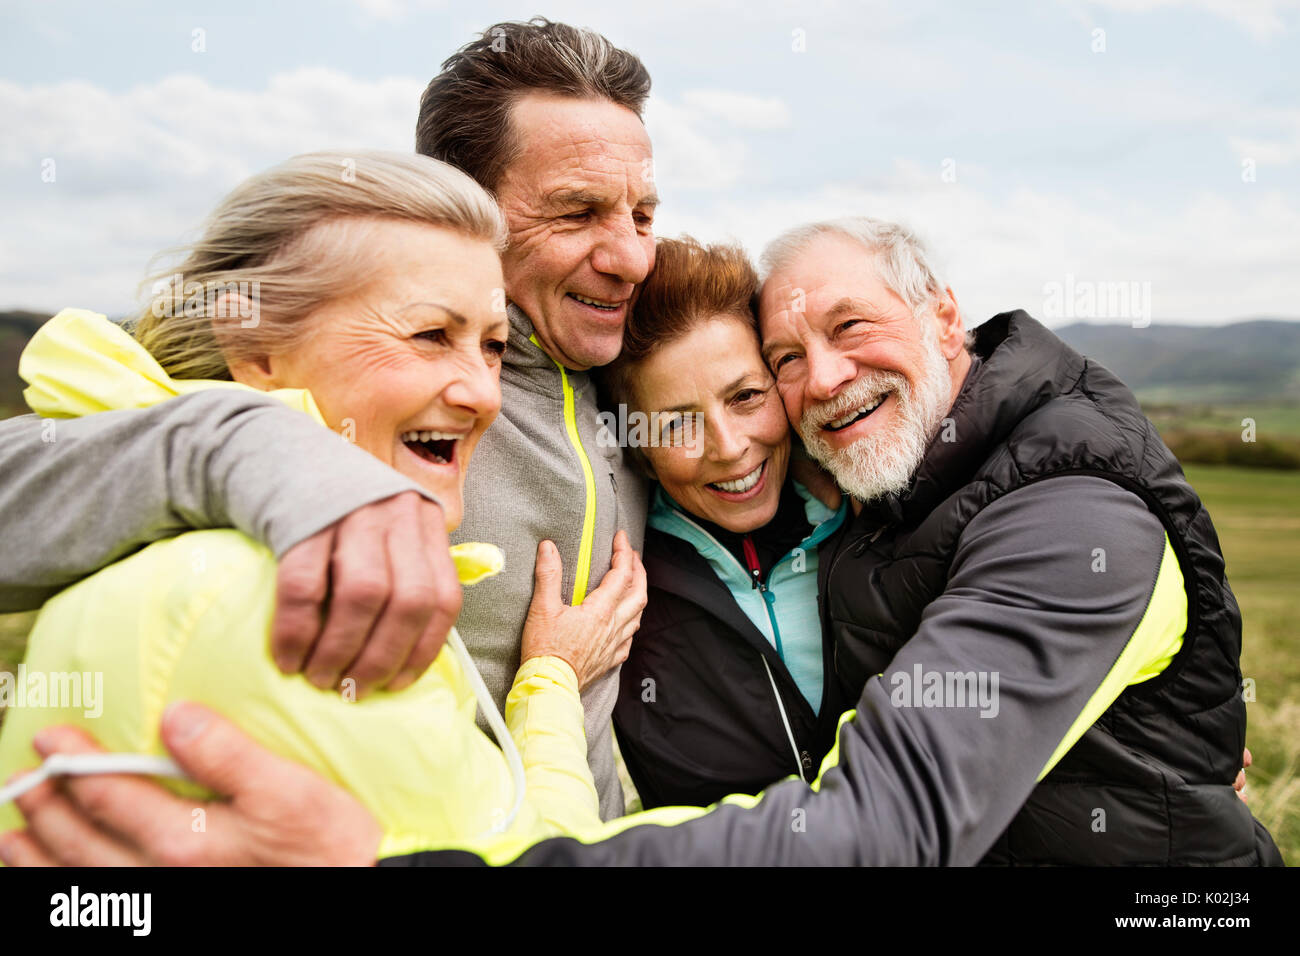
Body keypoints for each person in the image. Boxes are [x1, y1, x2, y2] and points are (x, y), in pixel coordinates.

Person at [8, 212, 1278, 867]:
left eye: (755, 391)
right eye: (787, 357)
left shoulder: (969, 517)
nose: (734, 440)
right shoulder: (646, 577)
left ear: (944, 313)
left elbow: (896, 813)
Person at [0, 17, 658, 820]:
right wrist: (247, 438)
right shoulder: (339, 399)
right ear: (465, 201)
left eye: (644, 216)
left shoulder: (651, 369)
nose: (630, 255)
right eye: (578, 211)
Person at [600, 238, 848, 808]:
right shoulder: (624, 593)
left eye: (745, 396)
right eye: (677, 425)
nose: (731, 447)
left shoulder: (874, 528)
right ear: (638, 450)